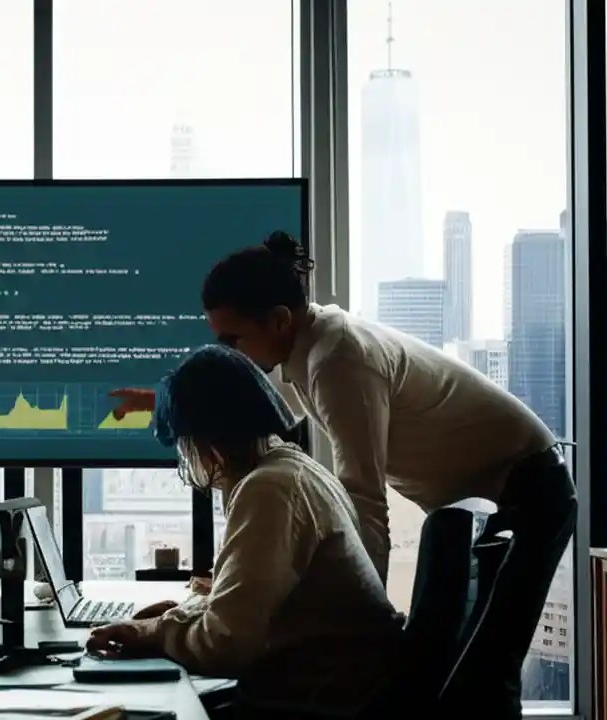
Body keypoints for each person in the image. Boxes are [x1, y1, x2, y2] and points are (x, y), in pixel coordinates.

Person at [111, 232, 576, 717]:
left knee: (487, 675)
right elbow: (255, 409)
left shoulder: (338, 361)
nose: (229, 354)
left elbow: (365, 498)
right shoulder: (311, 350)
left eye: (232, 340)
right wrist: (166, 405)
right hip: (501, 489)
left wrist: (356, 621)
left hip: (529, 491)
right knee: (479, 675)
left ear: (278, 320)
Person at [88, 345, 402, 716]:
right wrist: (184, 613)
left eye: (186, 445)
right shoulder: (295, 468)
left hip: (317, 696)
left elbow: (224, 645)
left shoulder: (270, 490)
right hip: (341, 683)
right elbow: (251, 612)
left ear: (210, 444)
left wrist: (153, 631)